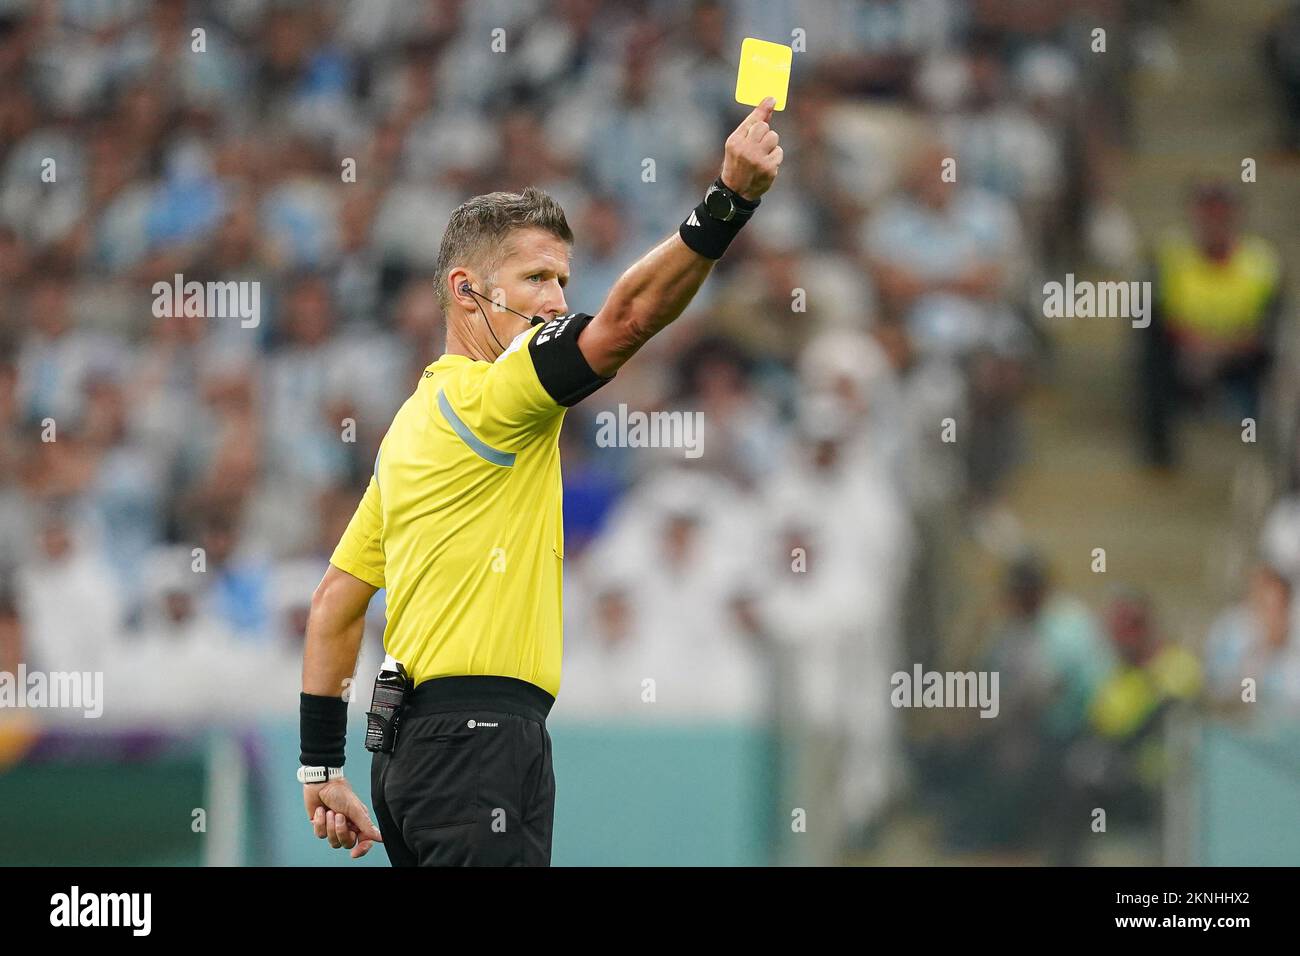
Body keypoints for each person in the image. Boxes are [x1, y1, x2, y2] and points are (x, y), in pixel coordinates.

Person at [298, 97, 784, 865]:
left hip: (430, 750)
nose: (558, 300)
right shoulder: (496, 396)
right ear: (467, 291)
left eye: (562, 278)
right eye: (535, 279)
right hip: (475, 744)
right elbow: (624, 324)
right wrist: (728, 202)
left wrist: (321, 767)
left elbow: (334, 604)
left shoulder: (410, 430)